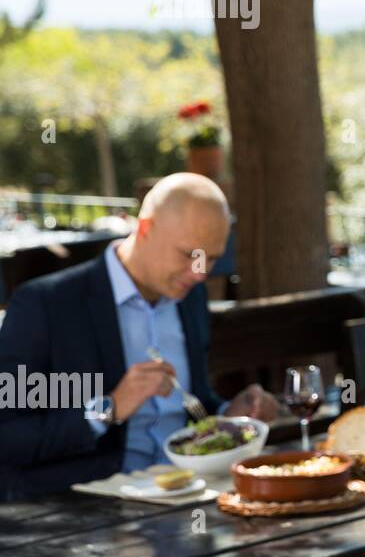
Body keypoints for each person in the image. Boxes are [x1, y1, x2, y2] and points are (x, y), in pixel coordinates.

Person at [0, 173, 280, 500]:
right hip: (89, 512)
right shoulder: (46, 305)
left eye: (211, 258)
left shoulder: (190, 298)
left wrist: (227, 415)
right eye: (189, 254)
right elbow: (7, 436)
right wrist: (109, 409)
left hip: (192, 495)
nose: (200, 273)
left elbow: (191, 403)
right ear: (145, 229)